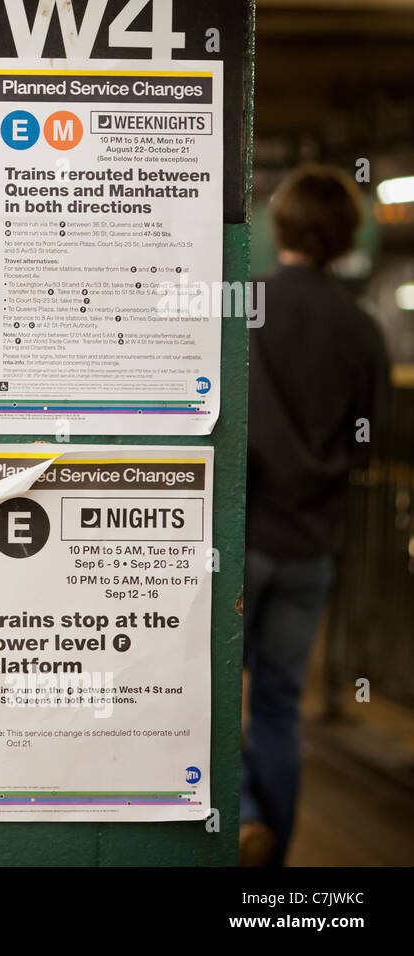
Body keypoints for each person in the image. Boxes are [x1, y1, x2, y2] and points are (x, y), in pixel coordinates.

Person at [241, 165, 389, 865]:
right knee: (278, 706)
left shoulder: (246, 307)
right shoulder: (361, 329)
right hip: (311, 548)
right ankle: (272, 857)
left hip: (240, 539)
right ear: (344, 237)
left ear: (283, 228)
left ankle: (236, 821)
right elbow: (370, 437)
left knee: (205, 694)